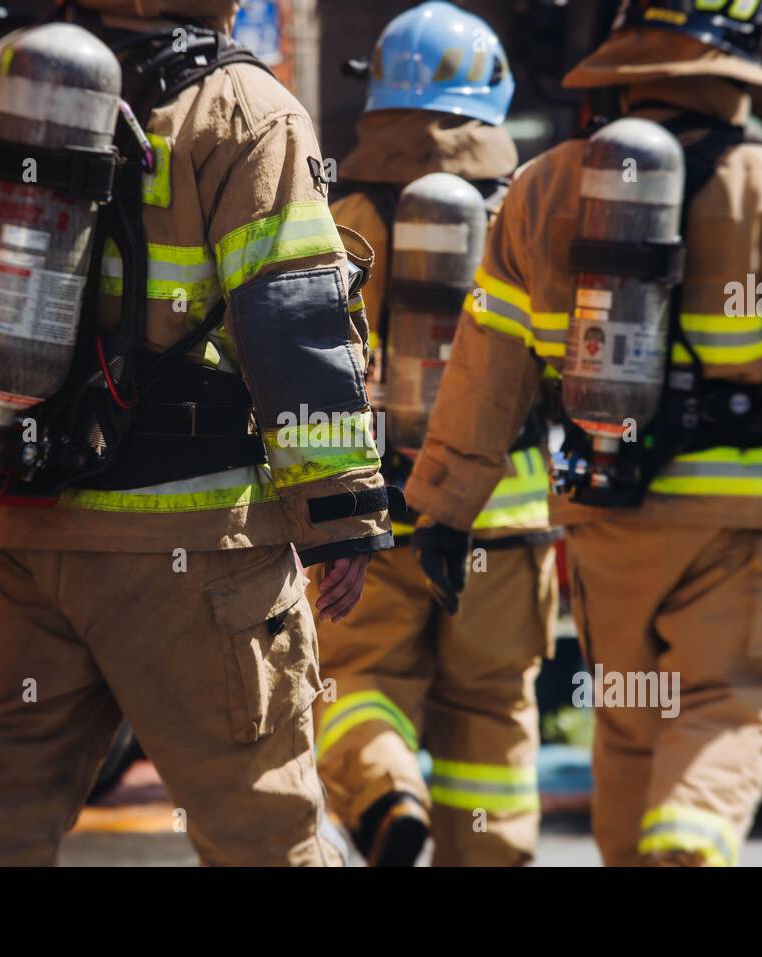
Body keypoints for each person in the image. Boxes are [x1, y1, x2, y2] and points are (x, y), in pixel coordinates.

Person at [0, 0, 393, 866]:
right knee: (265, 832)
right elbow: (296, 326)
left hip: (25, 531)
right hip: (195, 553)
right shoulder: (251, 111)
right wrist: (340, 517)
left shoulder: (3, 83)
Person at [404, 0, 762, 866]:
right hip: (742, 524)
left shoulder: (541, 189)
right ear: (737, 65)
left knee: (632, 719)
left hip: (608, 512)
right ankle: (688, 840)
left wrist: (445, 506)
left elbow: (484, 372)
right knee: (731, 694)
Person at [312, 1, 558, 867]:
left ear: (377, 92)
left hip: (374, 518)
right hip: (503, 516)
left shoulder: (333, 219)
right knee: (491, 708)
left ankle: (386, 793)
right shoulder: (528, 216)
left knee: (357, 684)